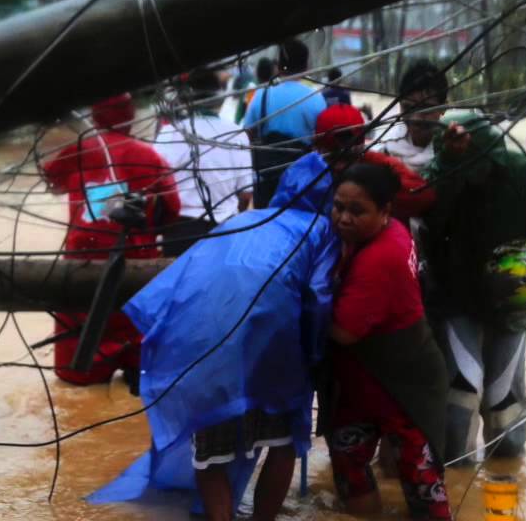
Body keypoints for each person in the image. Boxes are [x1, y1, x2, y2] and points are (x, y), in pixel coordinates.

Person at [88, 153, 339, 521]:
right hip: (276, 347)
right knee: (282, 442)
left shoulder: (243, 220)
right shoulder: (322, 230)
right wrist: (317, 356)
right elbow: (319, 296)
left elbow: (185, 276)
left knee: (210, 444)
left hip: (205, 343)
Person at [422, 112, 526, 462]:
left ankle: (506, 472)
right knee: (462, 391)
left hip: (512, 304)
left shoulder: (523, 172)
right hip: (456, 298)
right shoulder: (439, 174)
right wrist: (450, 165)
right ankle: (455, 473)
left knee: (504, 399)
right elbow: (427, 219)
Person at [325, 164, 451, 519]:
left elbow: (344, 332)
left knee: (424, 487)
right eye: (338, 207)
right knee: (351, 473)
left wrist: (304, 307)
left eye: (357, 211)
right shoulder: (388, 232)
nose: (343, 219)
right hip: (362, 385)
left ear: (385, 212)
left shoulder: (379, 259)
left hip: (405, 390)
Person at [39, 93, 182, 385]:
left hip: (83, 270)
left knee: (76, 381)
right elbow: (172, 210)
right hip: (135, 271)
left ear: (94, 116)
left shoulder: (78, 151)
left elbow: (51, 181)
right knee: (143, 376)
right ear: (130, 117)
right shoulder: (149, 156)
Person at [155, 68, 254, 256]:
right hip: (225, 230)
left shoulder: (168, 134)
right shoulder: (237, 134)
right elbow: (246, 193)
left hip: (179, 231)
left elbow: (156, 188)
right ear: (220, 99)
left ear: (184, 100)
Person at [243, 39, 327, 208]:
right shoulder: (315, 98)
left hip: (266, 178)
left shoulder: (262, 94)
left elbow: (247, 134)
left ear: (278, 65)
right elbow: (321, 139)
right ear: (307, 66)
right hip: (301, 181)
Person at [314, 104, 434, 220]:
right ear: (317, 149)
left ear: (361, 147)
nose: (341, 166)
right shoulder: (306, 174)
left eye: (349, 158)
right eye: (333, 157)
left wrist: (376, 187)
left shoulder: (376, 165)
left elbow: (424, 197)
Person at [378, 60, 449, 173]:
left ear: (443, 108)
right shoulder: (386, 147)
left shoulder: (452, 149)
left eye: (426, 109)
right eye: (407, 107)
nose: (415, 118)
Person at [235, 56, 274, 125]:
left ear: (257, 71)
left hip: (249, 127)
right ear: (272, 72)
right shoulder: (275, 88)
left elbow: (239, 112)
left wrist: (236, 123)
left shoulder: (250, 87)